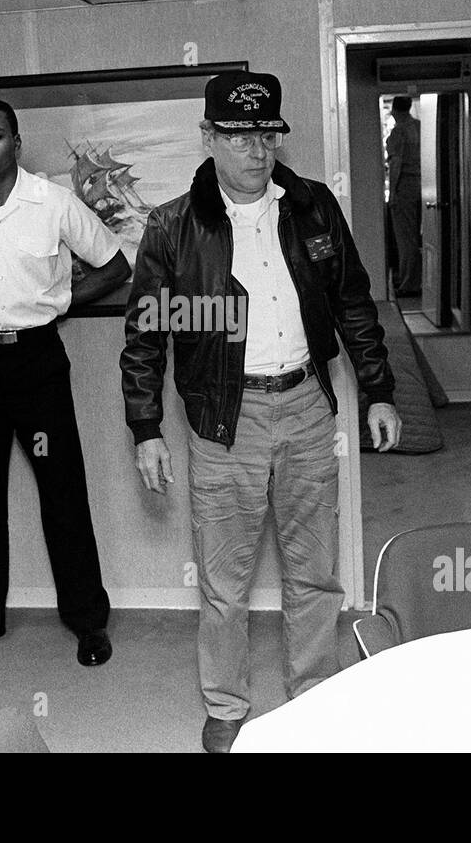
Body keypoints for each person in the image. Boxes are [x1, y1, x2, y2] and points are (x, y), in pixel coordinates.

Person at [120, 70, 402, 753]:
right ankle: (225, 704)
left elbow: (353, 303)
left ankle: (312, 694)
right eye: (240, 135)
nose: (256, 150)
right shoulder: (172, 226)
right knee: (225, 580)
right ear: (210, 136)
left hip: (306, 403)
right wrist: (145, 428)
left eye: (267, 134)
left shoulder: (312, 208)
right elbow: (146, 332)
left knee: (315, 569)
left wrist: (379, 386)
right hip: (224, 417)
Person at [0, 98, 129, 668]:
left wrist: (58, 303)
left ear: (16, 140)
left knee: (62, 491)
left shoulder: (54, 204)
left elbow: (114, 268)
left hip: (37, 365)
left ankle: (88, 622)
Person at [384, 96, 422, 297]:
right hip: (423, 187)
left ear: (395, 111)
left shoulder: (399, 132)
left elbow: (396, 164)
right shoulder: (420, 126)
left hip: (405, 188)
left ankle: (409, 283)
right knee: (418, 236)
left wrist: (393, 194)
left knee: (405, 238)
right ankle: (417, 278)